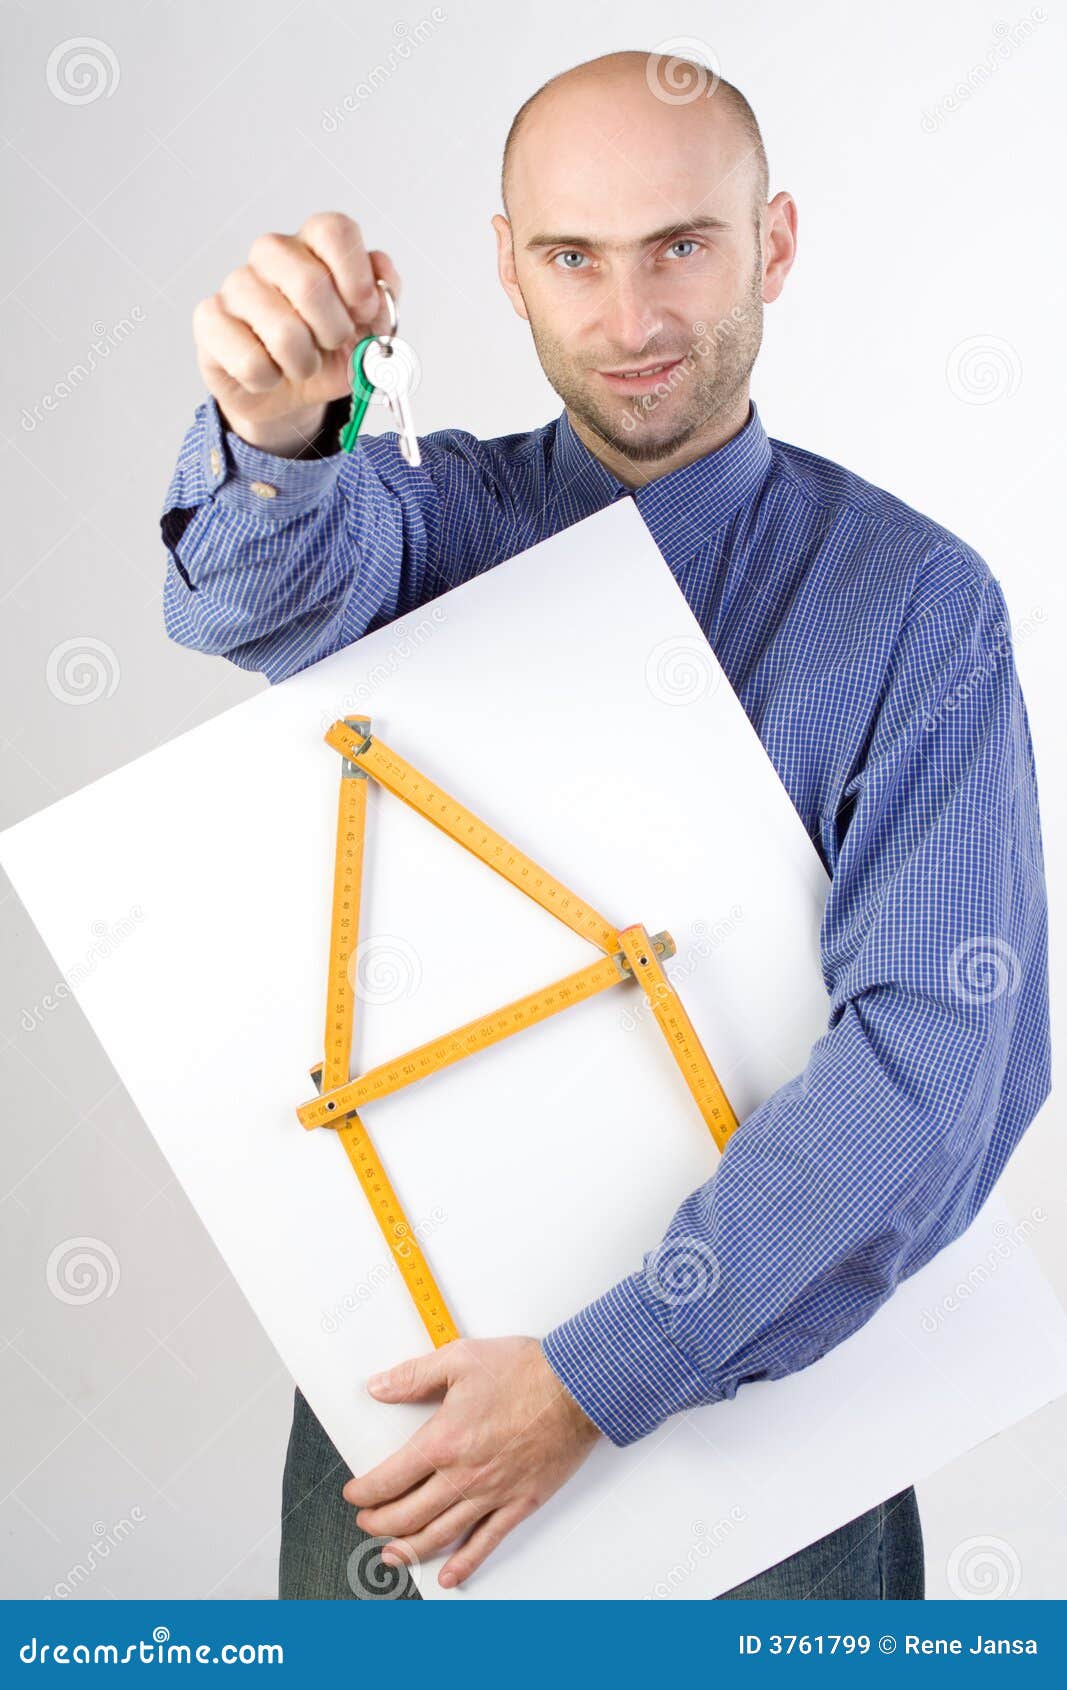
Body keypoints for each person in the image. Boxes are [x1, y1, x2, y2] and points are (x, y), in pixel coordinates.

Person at [159, 50, 1049, 1600]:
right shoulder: (424, 518)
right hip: (410, 1409)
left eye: (682, 250)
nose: (633, 324)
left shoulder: (917, 605)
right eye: (574, 257)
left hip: (777, 1451)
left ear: (773, 243)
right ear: (506, 268)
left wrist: (594, 1376)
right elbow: (260, 590)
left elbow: (935, 1067)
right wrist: (276, 430)